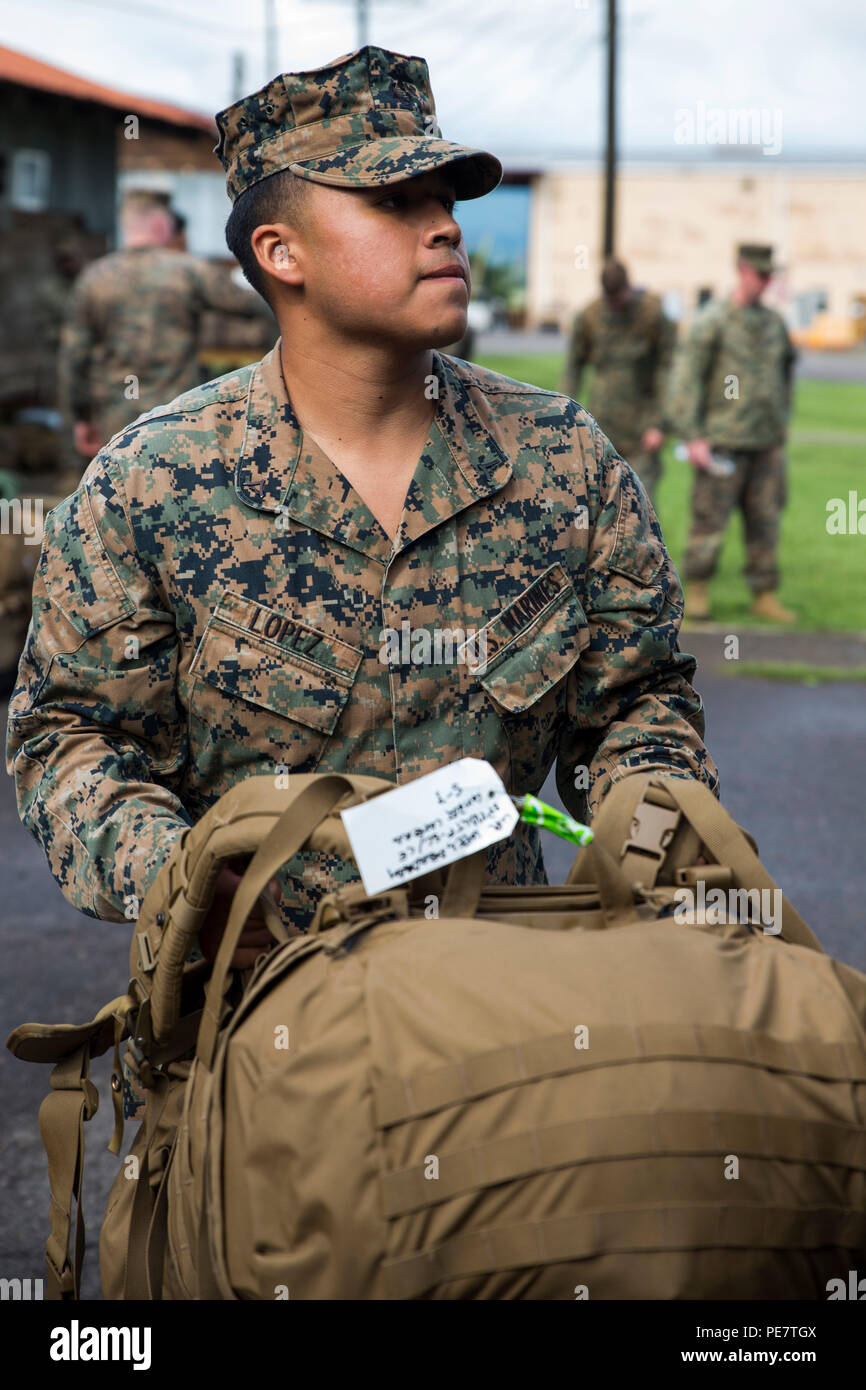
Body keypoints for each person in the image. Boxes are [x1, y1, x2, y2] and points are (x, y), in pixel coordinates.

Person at [7, 44, 718, 977]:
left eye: (447, 203)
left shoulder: (561, 457)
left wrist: (658, 846)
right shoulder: (153, 481)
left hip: (513, 1018)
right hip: (257, 1029)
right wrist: (174, 879)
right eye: (395, 203)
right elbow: (73, 735)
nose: (445, 231)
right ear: (280, 251)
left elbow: (638, 703)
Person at [57, 190, 273, 460]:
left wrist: (81, 418)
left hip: (115, 420)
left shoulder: (93, 279)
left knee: (117, 496)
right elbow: (264, 306)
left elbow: (73, 357)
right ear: (162, 226)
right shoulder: (190, 272)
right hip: (178, 417)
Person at [673, 244, 797, 623]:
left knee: (766, 520)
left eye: (769, 275)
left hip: (765, 442)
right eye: (760, 274)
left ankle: (764, 594)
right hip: (722, 439)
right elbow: (687, 378)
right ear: (742, 271)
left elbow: (786, 372)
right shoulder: (713, 320)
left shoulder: (774, 323)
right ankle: (698, 591)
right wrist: (693, 435)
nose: (765, 282)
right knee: (709, 519)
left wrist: (780, 421)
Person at [562, 258, 675, 504]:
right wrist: (563, 417)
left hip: (643, 426)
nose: (615, 304)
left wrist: (660, 423)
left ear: (629, 287)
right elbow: (573, 367)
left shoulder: (651, 315)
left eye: (619, 297)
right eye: (610, 299)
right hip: (602, 426)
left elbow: (668, 368)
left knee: (642, 505)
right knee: (602, 505)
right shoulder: (589, 316)